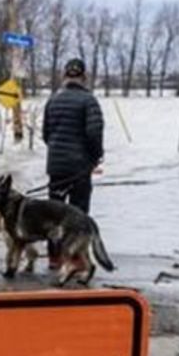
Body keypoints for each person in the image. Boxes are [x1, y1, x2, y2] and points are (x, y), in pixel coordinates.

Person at [42, 57, 105, 269]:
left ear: (64, 76)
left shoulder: (53, 100)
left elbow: (46, 134)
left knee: (54, 214)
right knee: (78, 213)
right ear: (84, 77)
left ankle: (54, 257)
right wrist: (96, 156)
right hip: (79, 168)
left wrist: (56, 151)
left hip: (56, 166)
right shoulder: (89, 101)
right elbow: (94, 133)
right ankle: (76, 258)